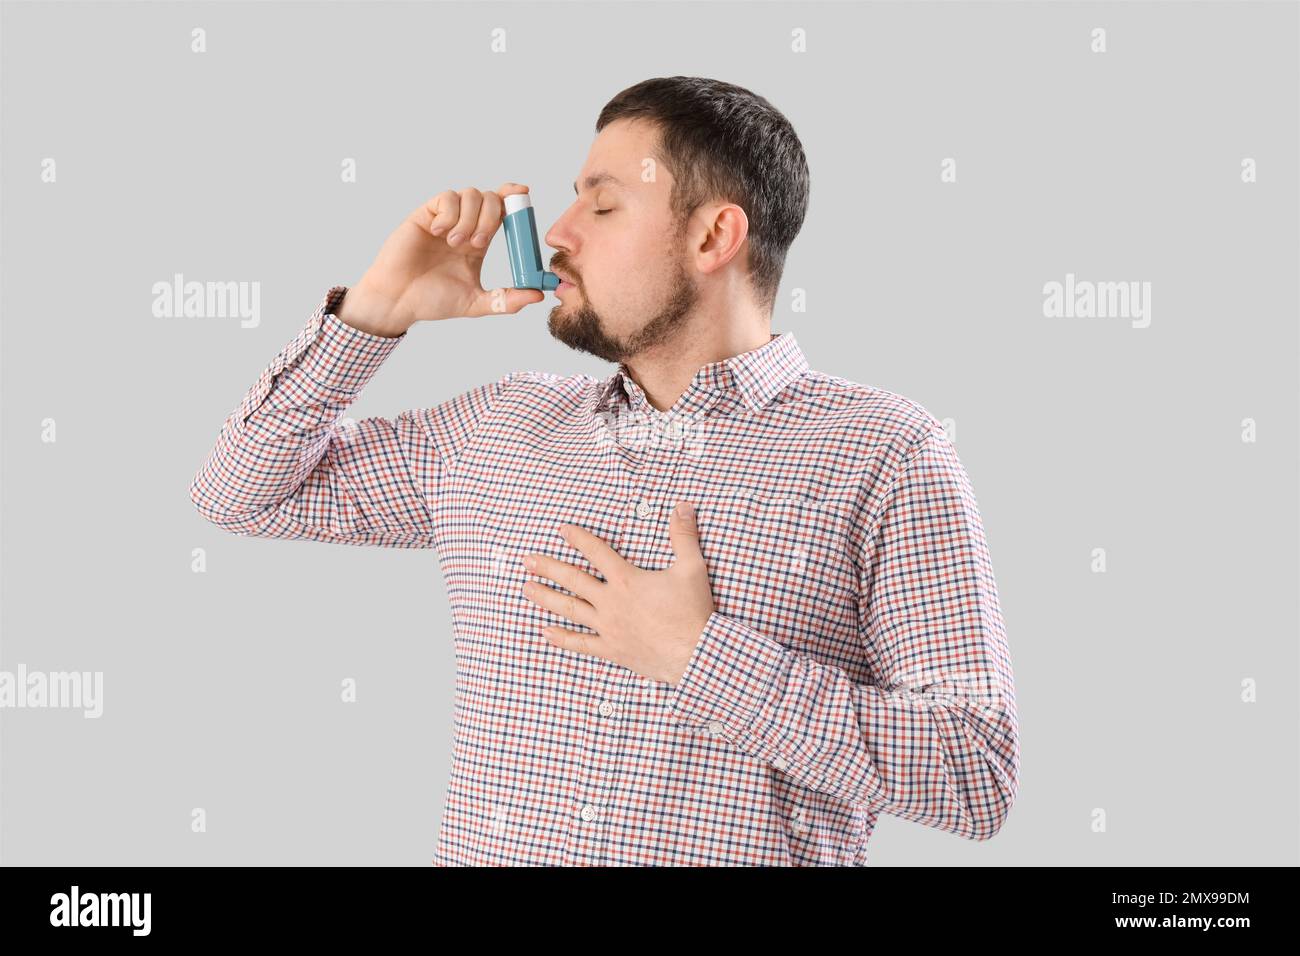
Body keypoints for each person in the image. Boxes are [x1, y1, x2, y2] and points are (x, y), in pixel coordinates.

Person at [189, 76, 1019, 866]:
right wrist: (376, 310)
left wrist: (700, 658)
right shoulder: (496, 428)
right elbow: (241, 492)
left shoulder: (884, 452)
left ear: (712, 237)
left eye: (604, 202)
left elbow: (974, 776)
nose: (558, 232)